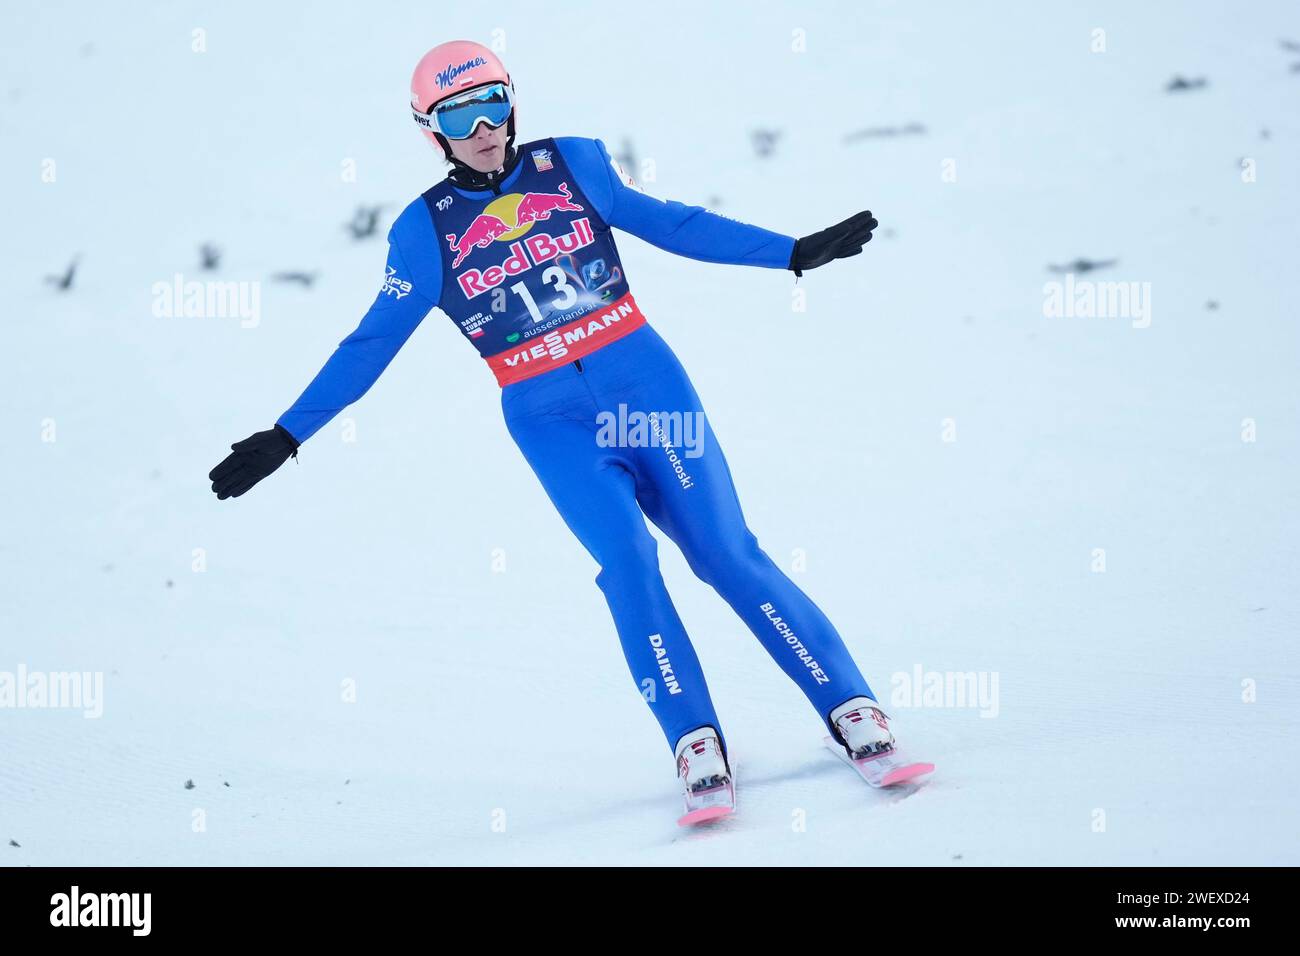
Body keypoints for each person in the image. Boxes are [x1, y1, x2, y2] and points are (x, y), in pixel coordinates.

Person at [209, 40, 895, 806]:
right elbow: (371, 342)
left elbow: (675, 224)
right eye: (457, 114)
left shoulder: (574, 165)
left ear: (512, 101)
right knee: (628, 564)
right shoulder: (424, 232)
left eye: (492, 102)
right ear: (430, 130)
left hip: (650, 387)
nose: (482, 126)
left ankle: (849, 704)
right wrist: (288, 433)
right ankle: (693, 738)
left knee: (726, 551)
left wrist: (790, 252)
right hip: (547, 418)